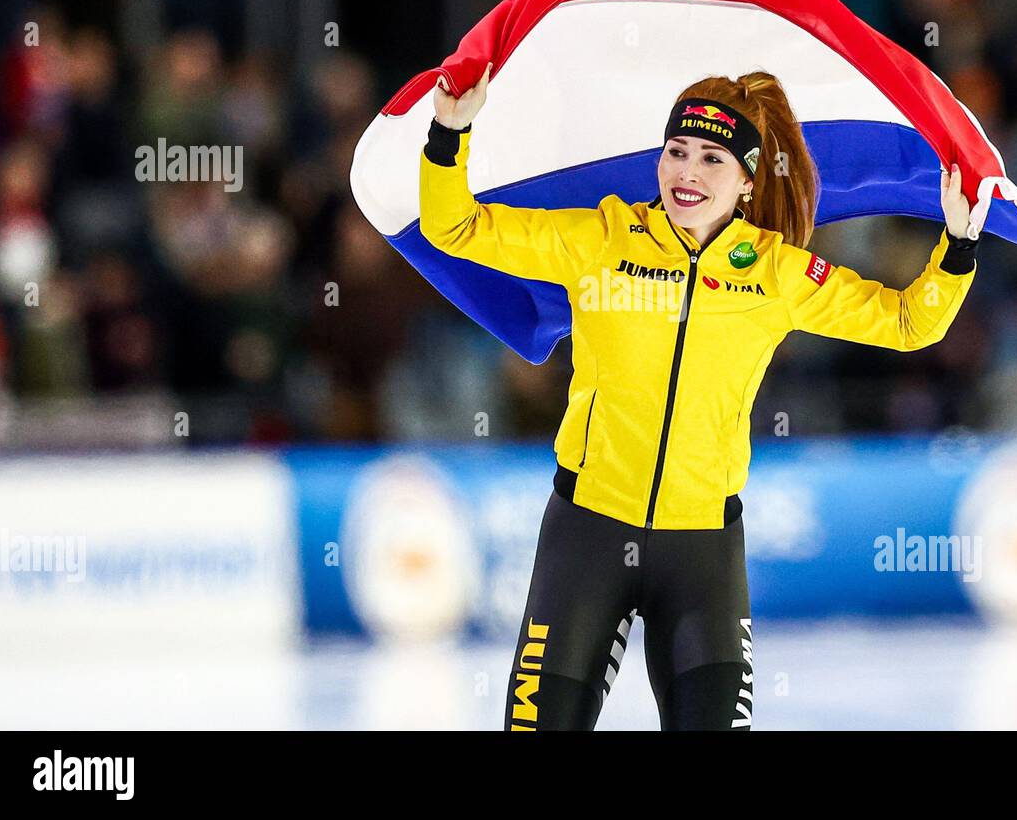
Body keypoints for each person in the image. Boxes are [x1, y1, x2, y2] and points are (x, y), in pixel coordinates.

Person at [419, 64, 979, 730]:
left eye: (712, 158)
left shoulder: (776, 272)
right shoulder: (599, 241)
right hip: (586, 534)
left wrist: (959, 248)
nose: (687, 170)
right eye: (677, 151)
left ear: (746, 181)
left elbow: (910, 321)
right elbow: (453, 228)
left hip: (702, 552)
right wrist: (448, 137)